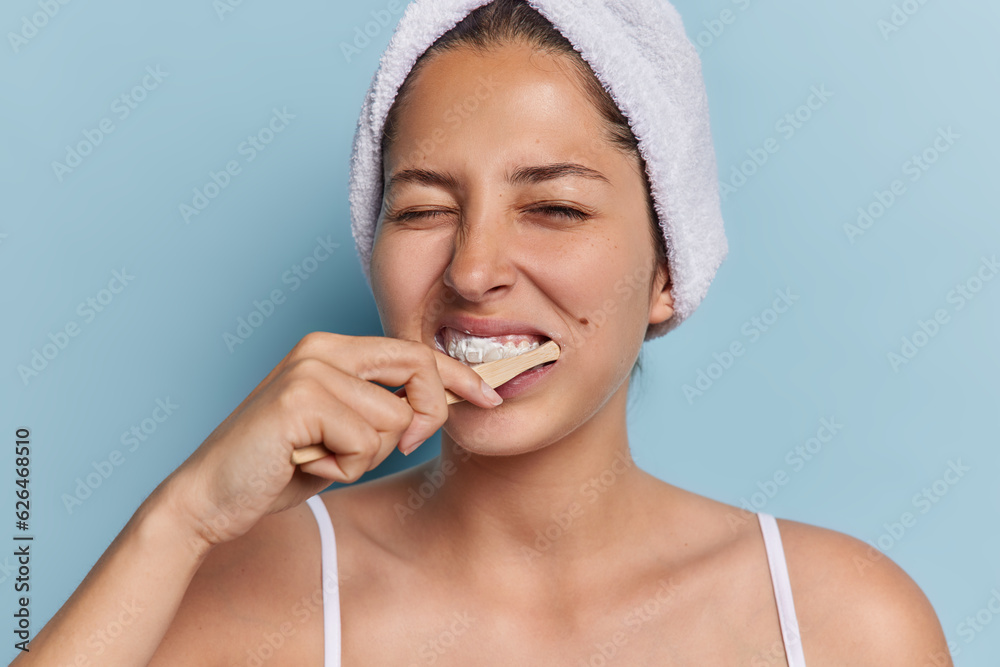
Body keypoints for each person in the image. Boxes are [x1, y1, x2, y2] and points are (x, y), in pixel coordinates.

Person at [15, 0, 952, 665]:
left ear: (670, 270)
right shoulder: (251, 599)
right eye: (423, 208)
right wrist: (180, 519)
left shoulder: (842, 626)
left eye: (552, 207)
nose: (471, 270)